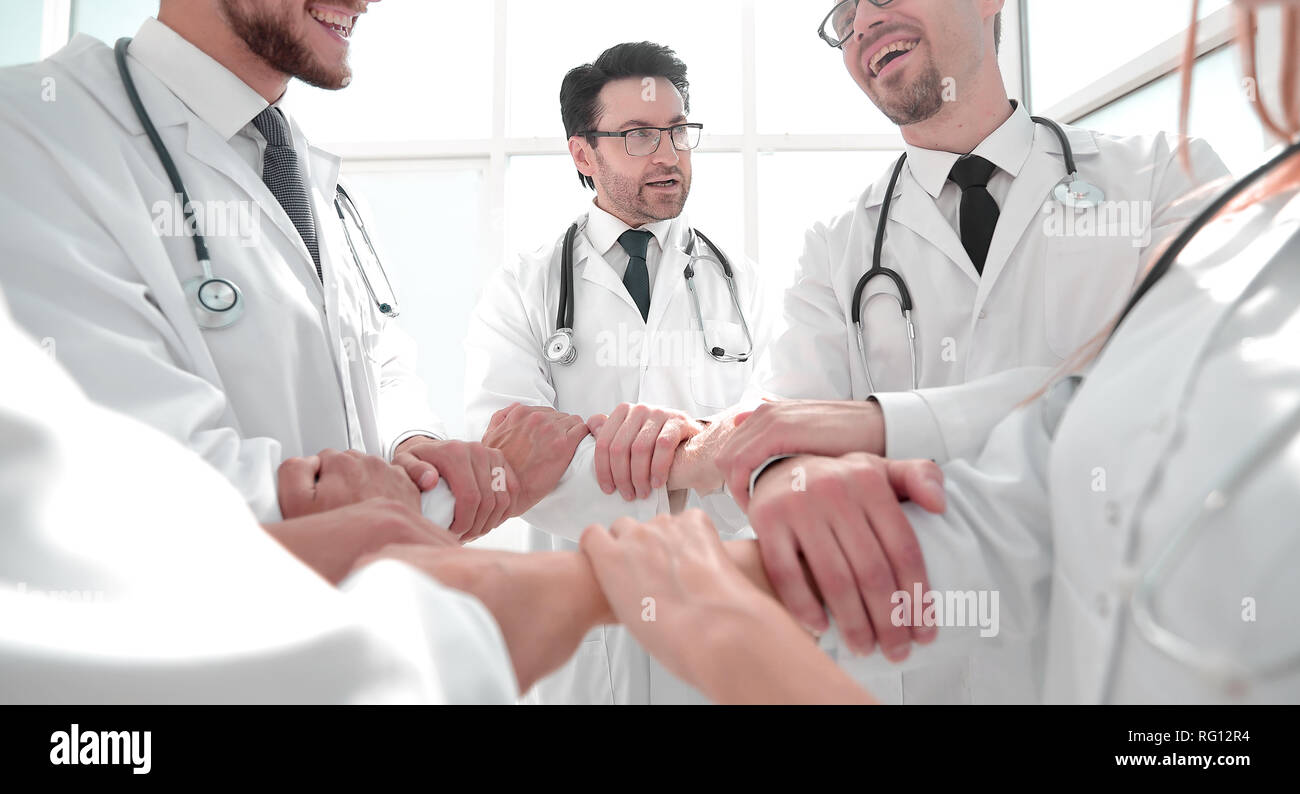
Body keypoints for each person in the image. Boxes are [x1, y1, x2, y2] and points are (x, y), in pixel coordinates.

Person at [619, 0, 1299, 705]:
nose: (863, 23)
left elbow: (1165, 400)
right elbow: (782, 432)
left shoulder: (1163, 178)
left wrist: (886, 420)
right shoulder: (835, 245)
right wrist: (768, 468)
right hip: (917, 661)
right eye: (844, 14)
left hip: (1116, 668)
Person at [0, 0, 584, 557]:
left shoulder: (307, 173)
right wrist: (470, 493)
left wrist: (416, 446)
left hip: (348, 635)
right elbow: (135, 478)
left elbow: (371, 357)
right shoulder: (35, 132)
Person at [462, 42, 775, 704]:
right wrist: (686, 464)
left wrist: (709, 456)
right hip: (581, 622)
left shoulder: (745, 285)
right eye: (637, 135)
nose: (668, 154)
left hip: (718, 601)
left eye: (678, 131)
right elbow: (509, 454)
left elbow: (771, 433)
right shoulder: (524, 288)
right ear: (583, 153)